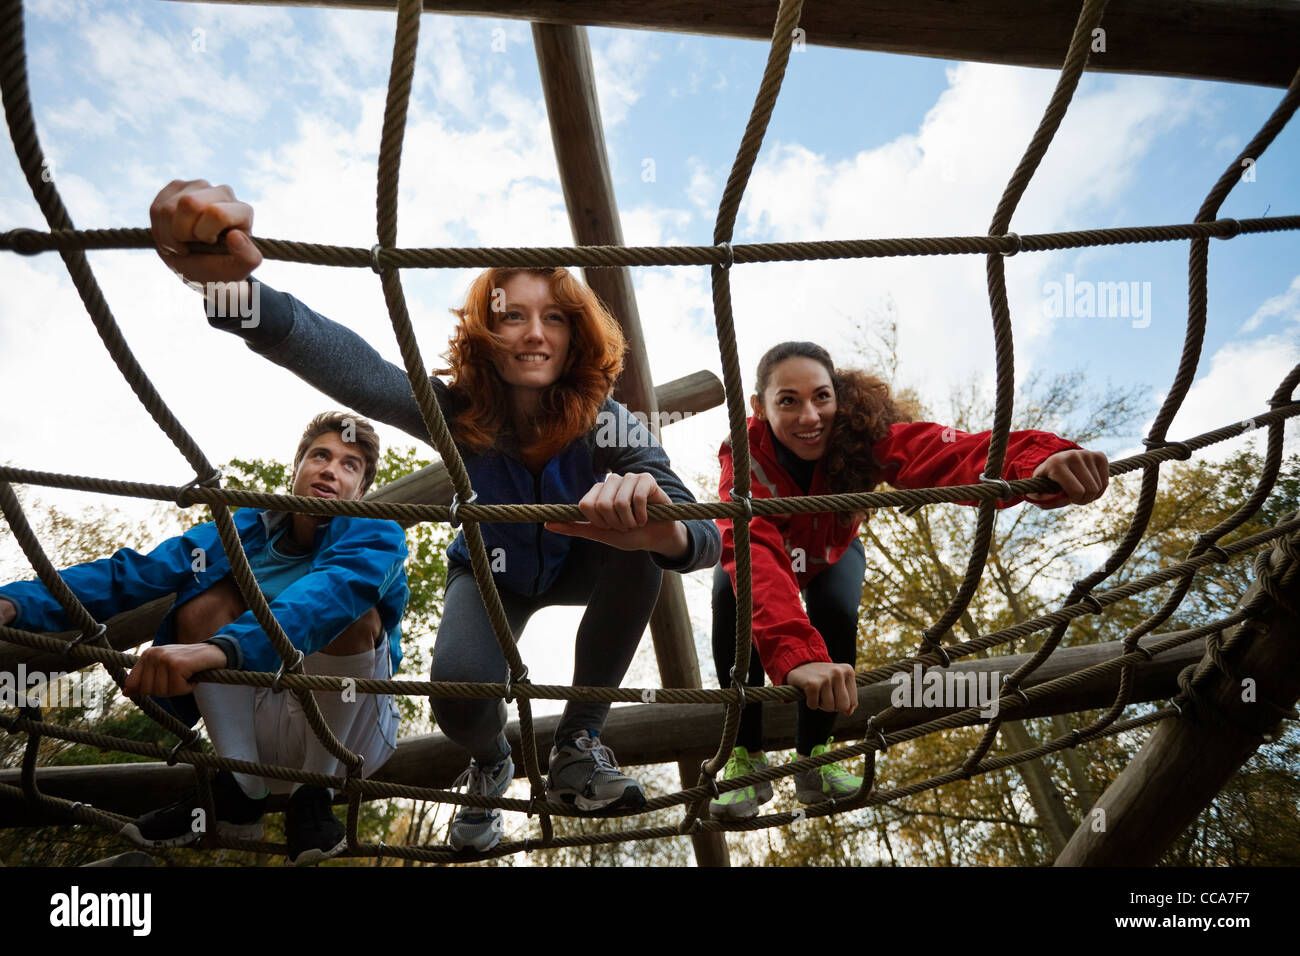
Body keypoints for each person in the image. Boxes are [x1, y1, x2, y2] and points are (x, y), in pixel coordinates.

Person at [148, 180, 722, 853]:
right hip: (492, 572)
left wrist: (663, 529)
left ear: (575, 338)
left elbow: (702, 530)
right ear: (487, 334)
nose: (535, 332)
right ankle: (490, 763)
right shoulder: (458, 415)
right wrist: (233, 296)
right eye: (513, 315)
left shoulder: (609, 424)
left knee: (642, 552)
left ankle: (579, 741)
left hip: (584, 567)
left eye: (556, 318)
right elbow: (359, 371)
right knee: (458, 696)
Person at [709, 341, 1110, 820]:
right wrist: (796, 655)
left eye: (821, 397)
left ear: (838, 396)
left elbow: (944, 451)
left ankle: (815, 755)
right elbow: (751, 545)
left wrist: (1038, 460)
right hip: (762, 556)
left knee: (836, 610)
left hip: (830, 550)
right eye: (788, 401)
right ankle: (743, 752)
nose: (809, 416)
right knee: (730, 597)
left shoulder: (859, 435)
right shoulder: (745, 452)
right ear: (760, 406)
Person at [0, 412, 410, 864]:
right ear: (297, 470)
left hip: (347, 737)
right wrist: (18, 603)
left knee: (354, 616)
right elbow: (133, 573)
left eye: (350, 464)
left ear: (362, 489)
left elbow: (333, 592)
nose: (331, 469)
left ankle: (313, 795)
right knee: (205, 602)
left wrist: (223, 648)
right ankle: (239, 789)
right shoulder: (243, 532)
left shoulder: (378, 534)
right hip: (253, 726)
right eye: (320, 455)